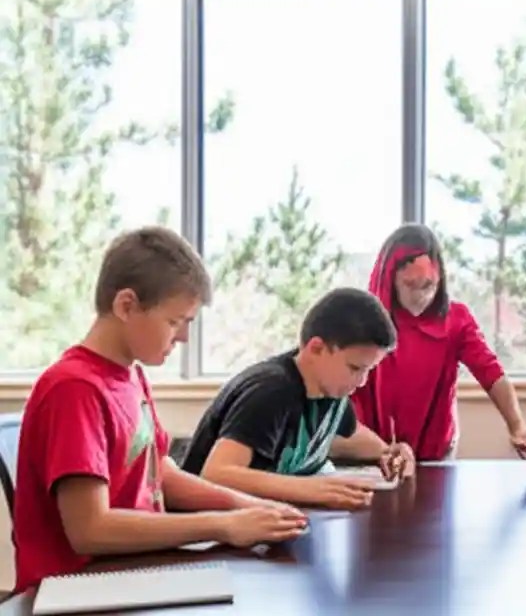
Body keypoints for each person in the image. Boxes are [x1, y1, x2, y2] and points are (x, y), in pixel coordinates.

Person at [13, 227, 307, 593]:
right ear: (126, 306)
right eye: (174, 321)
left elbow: (159, 472)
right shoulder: (74, 388)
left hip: (132, 570)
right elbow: (90, 530)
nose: (183, 337)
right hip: (77, 588)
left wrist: (245, 506)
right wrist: (221, 525)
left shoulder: (131, 375)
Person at [182, 287, 415, 510]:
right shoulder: (271, 391)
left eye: (368, 370)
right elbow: (216, 473)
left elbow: (351, 435)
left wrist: (389, 452)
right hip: (203, 533)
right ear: (316, 349)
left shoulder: (331, 390)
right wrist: (312, 490)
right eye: (355, 368)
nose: (362, 381)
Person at [350, 224, 526, 471]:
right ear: (391, 279)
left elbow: (492, 374)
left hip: (435, 454)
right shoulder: (364, 319)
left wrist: (518, 426)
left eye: (428, 286)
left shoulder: (456, 320)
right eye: (410, 285)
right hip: (371, 451)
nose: (421, 296)